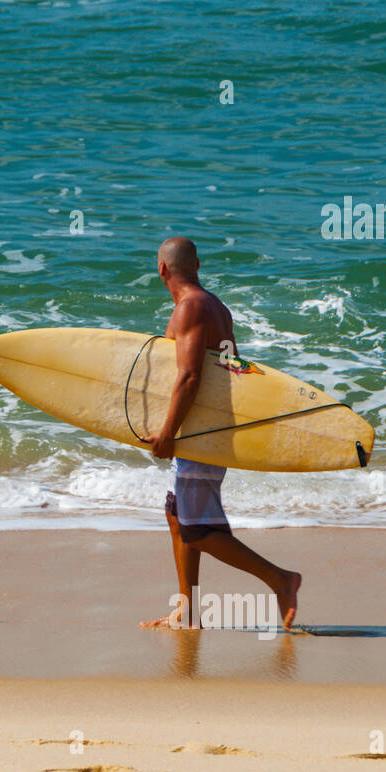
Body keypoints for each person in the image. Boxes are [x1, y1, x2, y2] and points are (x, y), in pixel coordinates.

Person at [140, 236, 301, 630]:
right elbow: (231, 370)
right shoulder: (214, 306)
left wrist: (167, 433)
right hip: (209, 427)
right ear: (197, 265)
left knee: (197, 528)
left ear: (162, 269)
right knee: (178, 515)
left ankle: (281, 580)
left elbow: (190, 375)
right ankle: (188, 610)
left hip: (201, 432)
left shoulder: (191, 308)